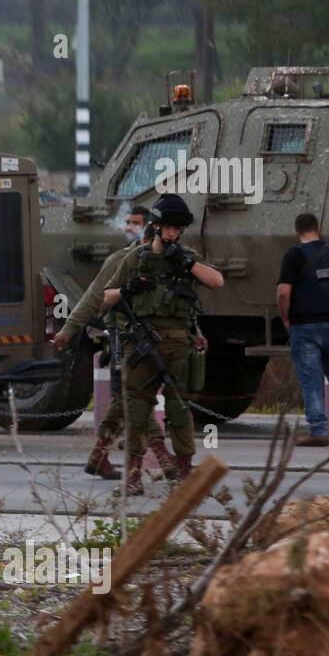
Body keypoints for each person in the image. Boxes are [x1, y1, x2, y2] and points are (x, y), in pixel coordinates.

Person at [102, 193, 224, 495]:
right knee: (137, 411)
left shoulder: (186, 257)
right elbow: (106, 297)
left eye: (178, 229)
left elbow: (217, 281)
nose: (173, 234)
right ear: (156, 227)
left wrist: (186, 261)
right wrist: (128, 288)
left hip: (178, 346)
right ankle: (132, 476)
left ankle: (184, 474)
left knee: (179, 410)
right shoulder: (137, 257)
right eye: (168, 228)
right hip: (142, 345)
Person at [53, 205, 174, 480]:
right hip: (125, 342)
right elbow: (93, 298)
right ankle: (160, 455)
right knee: (136, 398)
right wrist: (68, 331)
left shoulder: (167, 262)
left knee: (126, 400)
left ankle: (99, 455)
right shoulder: (121, 261)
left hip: (152, 341)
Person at [277, 212, 329, 447]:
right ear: (318, 229)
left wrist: (285, 318)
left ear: (297, 231)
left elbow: (283, 292)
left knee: (311, 378)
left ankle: (318, 431)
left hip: (305, 326)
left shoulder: (294, 255)